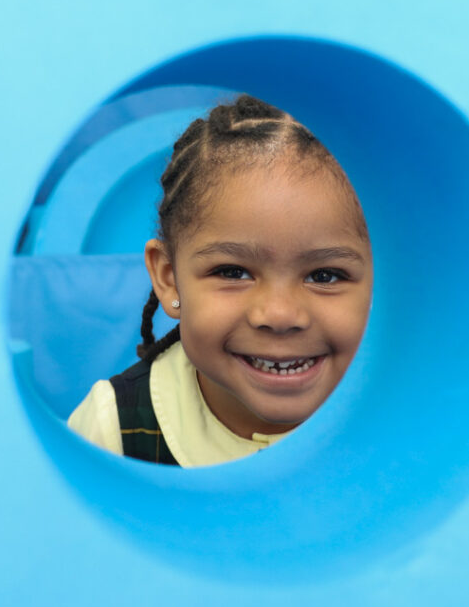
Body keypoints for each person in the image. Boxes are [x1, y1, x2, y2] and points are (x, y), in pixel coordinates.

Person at [67, 95, 373, 466]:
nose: (278, 315)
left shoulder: (409, 411)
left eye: (325, 276)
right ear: (169, 278)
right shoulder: (112, 430)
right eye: (233, 272)